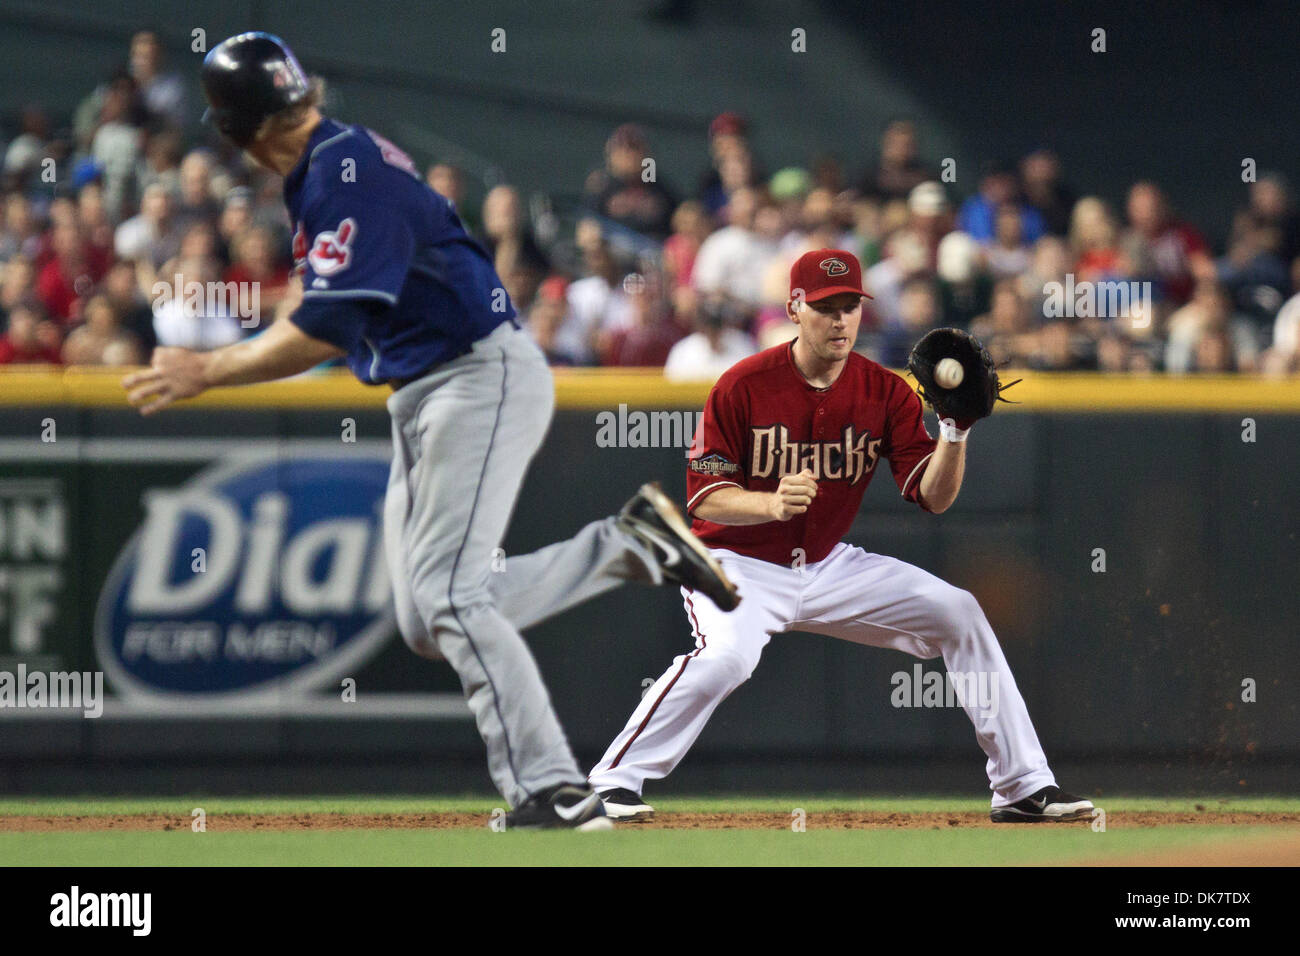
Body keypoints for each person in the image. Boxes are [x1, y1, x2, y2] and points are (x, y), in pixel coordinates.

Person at [122, 32, 739, 830]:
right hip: (431, 386)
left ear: (239, 133)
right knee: (425, 620)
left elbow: (329, 324)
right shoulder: (334, 162)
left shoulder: (341, 175)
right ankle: (633, 547)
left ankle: (550, 787)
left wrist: (207, 369)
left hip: (475, 375)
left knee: (449, 596)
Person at [589, 248, 1093, 824]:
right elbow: (706, 500)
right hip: (736, 562)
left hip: (828, 564)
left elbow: (933, 496)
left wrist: (953, 432)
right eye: (827, 307)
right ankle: (609, 784)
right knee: (727, 658)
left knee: (959, 611)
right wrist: (771, 502)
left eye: (850, 306)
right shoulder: (742, 384)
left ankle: (1024, 786)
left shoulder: (886, 390)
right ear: (795, 308)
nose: (841, 319)